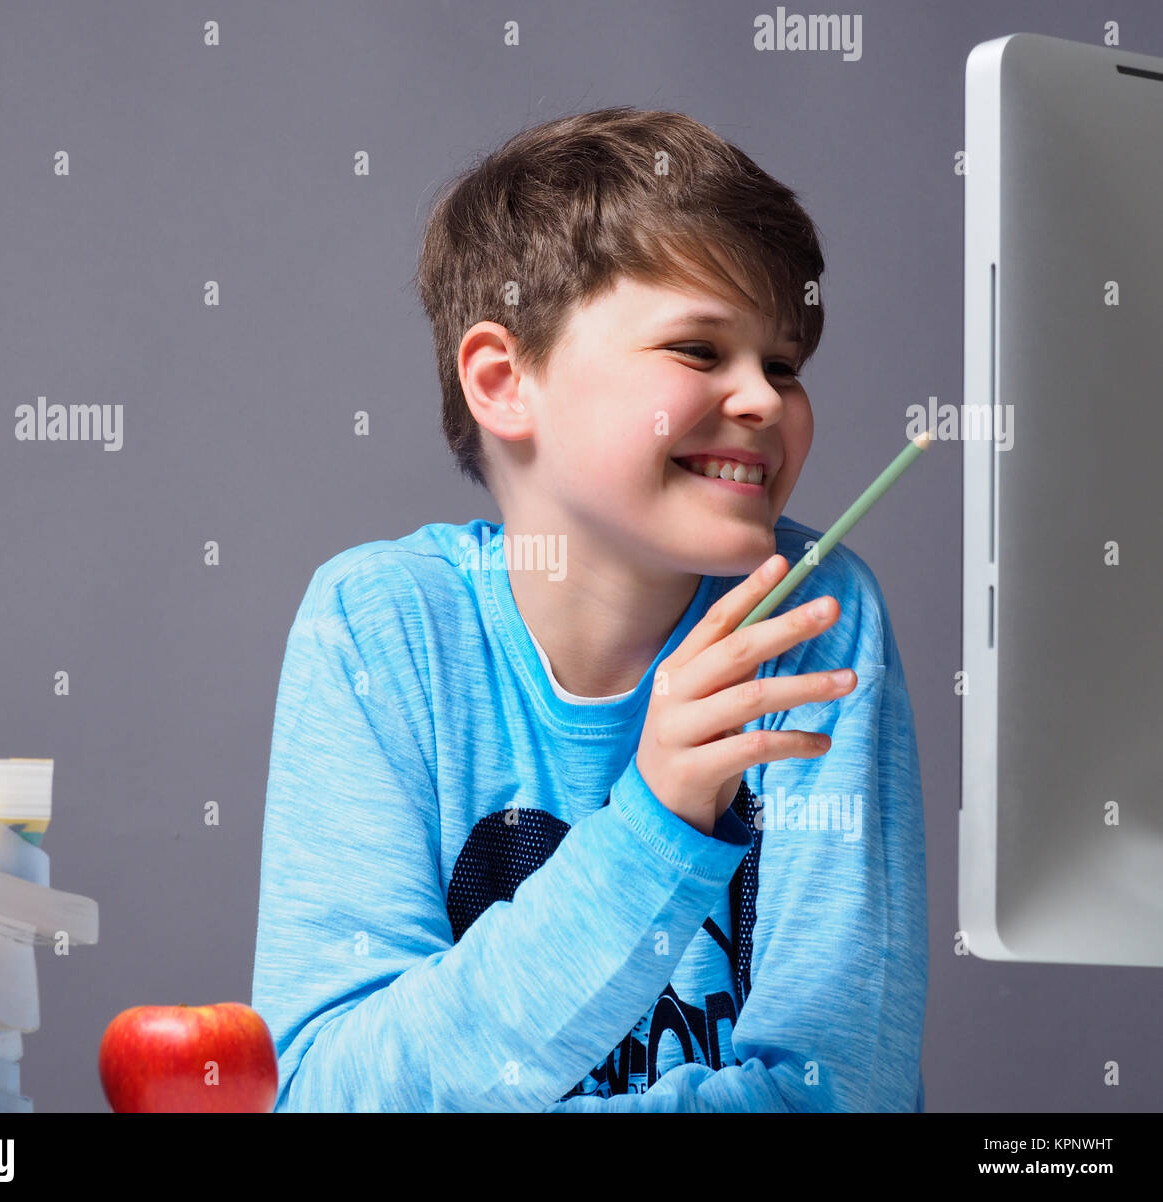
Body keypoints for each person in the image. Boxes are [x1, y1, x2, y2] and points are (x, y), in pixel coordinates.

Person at [250, 106, 928, 1112]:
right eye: (700, 351)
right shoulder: (380, 627)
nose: (764, 399)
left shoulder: (812, 618)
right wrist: (655, 822)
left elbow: (842, 1094)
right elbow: (328, 1093)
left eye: (783, 364)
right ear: (505, 379)